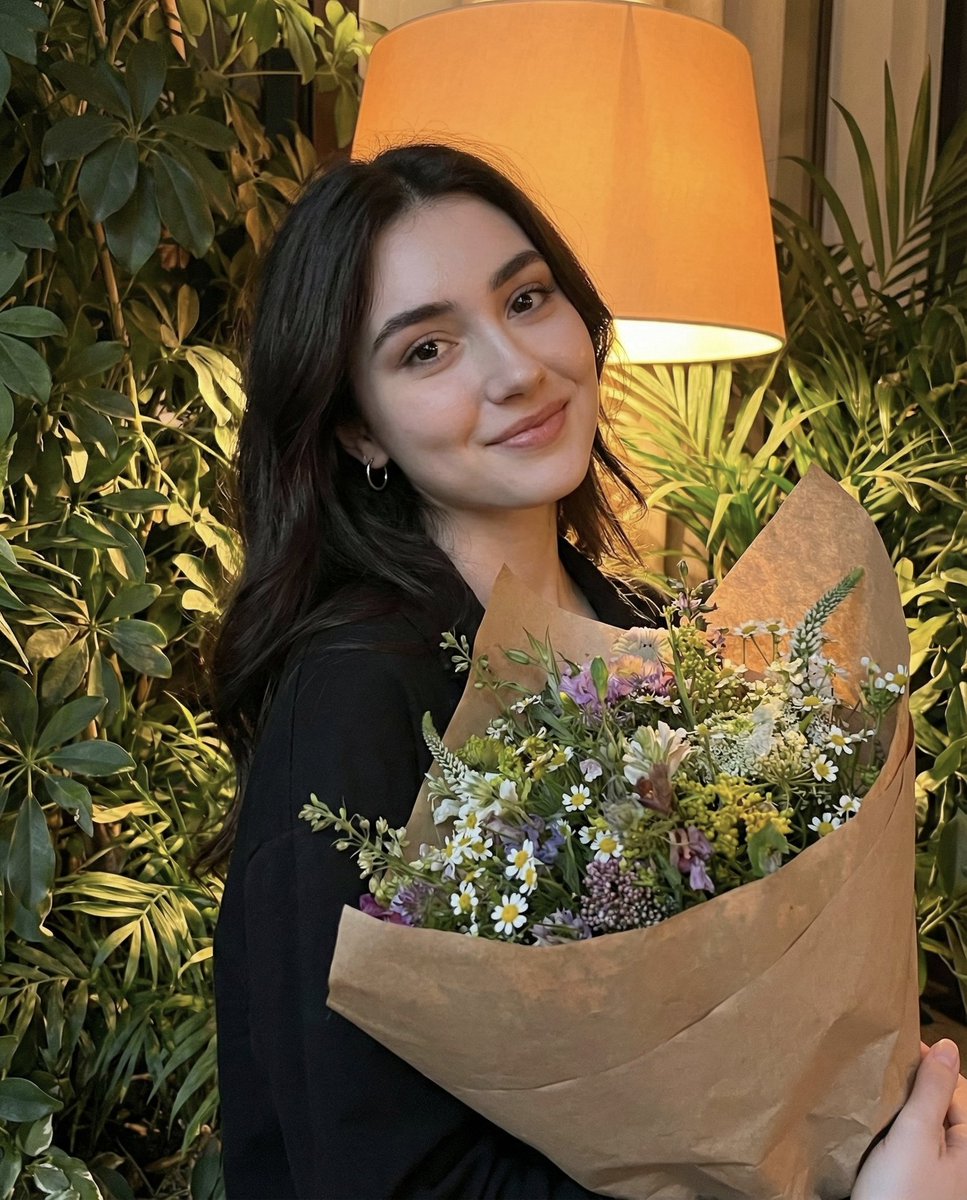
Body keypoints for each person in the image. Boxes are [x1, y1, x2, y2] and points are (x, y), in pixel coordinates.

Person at [207, 142, 967, 1199]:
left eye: (526, 298)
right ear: (354, 428)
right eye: (425, 350)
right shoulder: (359, 696)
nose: (515, 367)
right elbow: (376, 1170)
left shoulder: (651, 631)